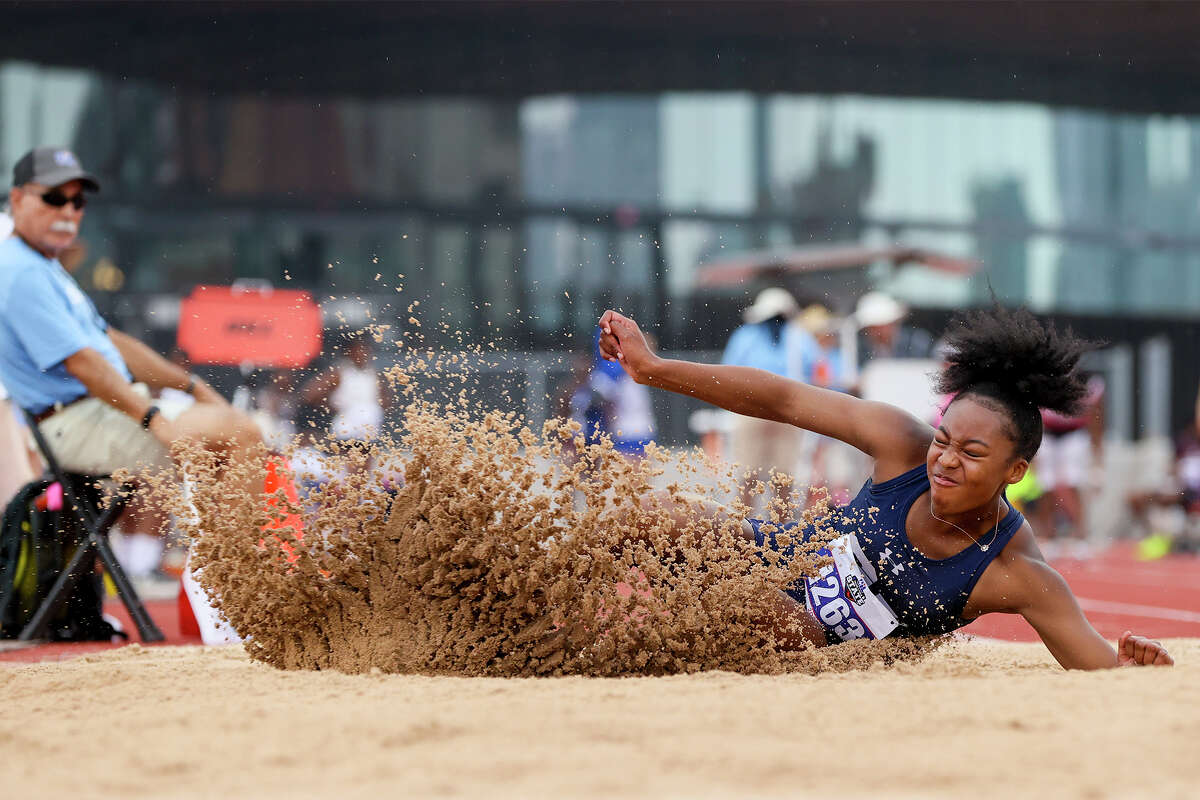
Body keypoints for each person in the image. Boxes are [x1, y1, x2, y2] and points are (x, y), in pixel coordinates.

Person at [597, 305, 1172, 668]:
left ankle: (609, 653)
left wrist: (1138, 666)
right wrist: (653, 369)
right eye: (943, 440)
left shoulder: (1014, 572)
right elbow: (785, 397)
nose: (945, 461)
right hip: (778, 557)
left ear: (1014, 472)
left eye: (972, 454)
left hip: (815, 643)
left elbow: (1099, 666)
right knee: (647, 518)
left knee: (762, 612)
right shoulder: (902, 444)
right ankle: (528, 613)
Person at [0, 147, 261, 493]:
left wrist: (193, 387)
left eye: (77, 202)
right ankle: (236, 549)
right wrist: (156, 421)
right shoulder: (21, 271)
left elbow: (111, 343)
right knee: (241, 434)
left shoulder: (42, 265)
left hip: (92, 414)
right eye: (53, 198)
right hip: (74, 422)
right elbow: (84, 363)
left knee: (232, 440)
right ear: (17, 199)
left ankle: (224, 547)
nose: (67, 211)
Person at [721, 287, 817, 510]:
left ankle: (778, 528)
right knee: (748, 472)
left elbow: (811, 372)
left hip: (788, 412)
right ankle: (744, 525)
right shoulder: (746, 336)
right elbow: (730, 372)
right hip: (752, 408)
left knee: (783, 474)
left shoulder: (799, 338)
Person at [854, 290, 934, 368]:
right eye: (871, 328)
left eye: (880, 325)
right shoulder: (860, 347)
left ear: (892, 323)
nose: (876, 331)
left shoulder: (917, 341)